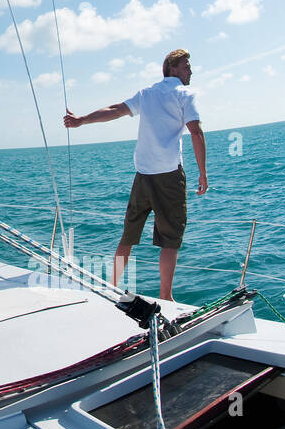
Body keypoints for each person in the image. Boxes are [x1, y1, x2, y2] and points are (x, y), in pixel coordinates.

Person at [62, 48, 207, 302]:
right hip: (170, 175)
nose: (190, 70)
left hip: (143, 175)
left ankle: (111, 286)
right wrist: (203, 173)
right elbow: (195, 132)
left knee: (128, 236)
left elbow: (116, 110)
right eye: (186, 66)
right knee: (170, 239)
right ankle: (166, 297)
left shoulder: (147, 94)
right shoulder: (185, 94)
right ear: (172, 68)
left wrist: (81, 120)